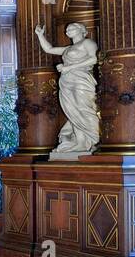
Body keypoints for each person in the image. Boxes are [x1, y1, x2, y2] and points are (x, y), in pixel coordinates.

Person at [35, 22, 99, 158]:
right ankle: (80, 142)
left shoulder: (87, 43)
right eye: (67, 29)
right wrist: (40, 35)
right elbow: (49, 49)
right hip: (66, 82)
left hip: (82, 80)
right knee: (72, 111)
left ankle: (93, 139)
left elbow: (94, 59)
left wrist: (69, 67)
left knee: (84, 108)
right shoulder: (68, 48)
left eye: (72, 28)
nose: (68, 30)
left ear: (82, 30)